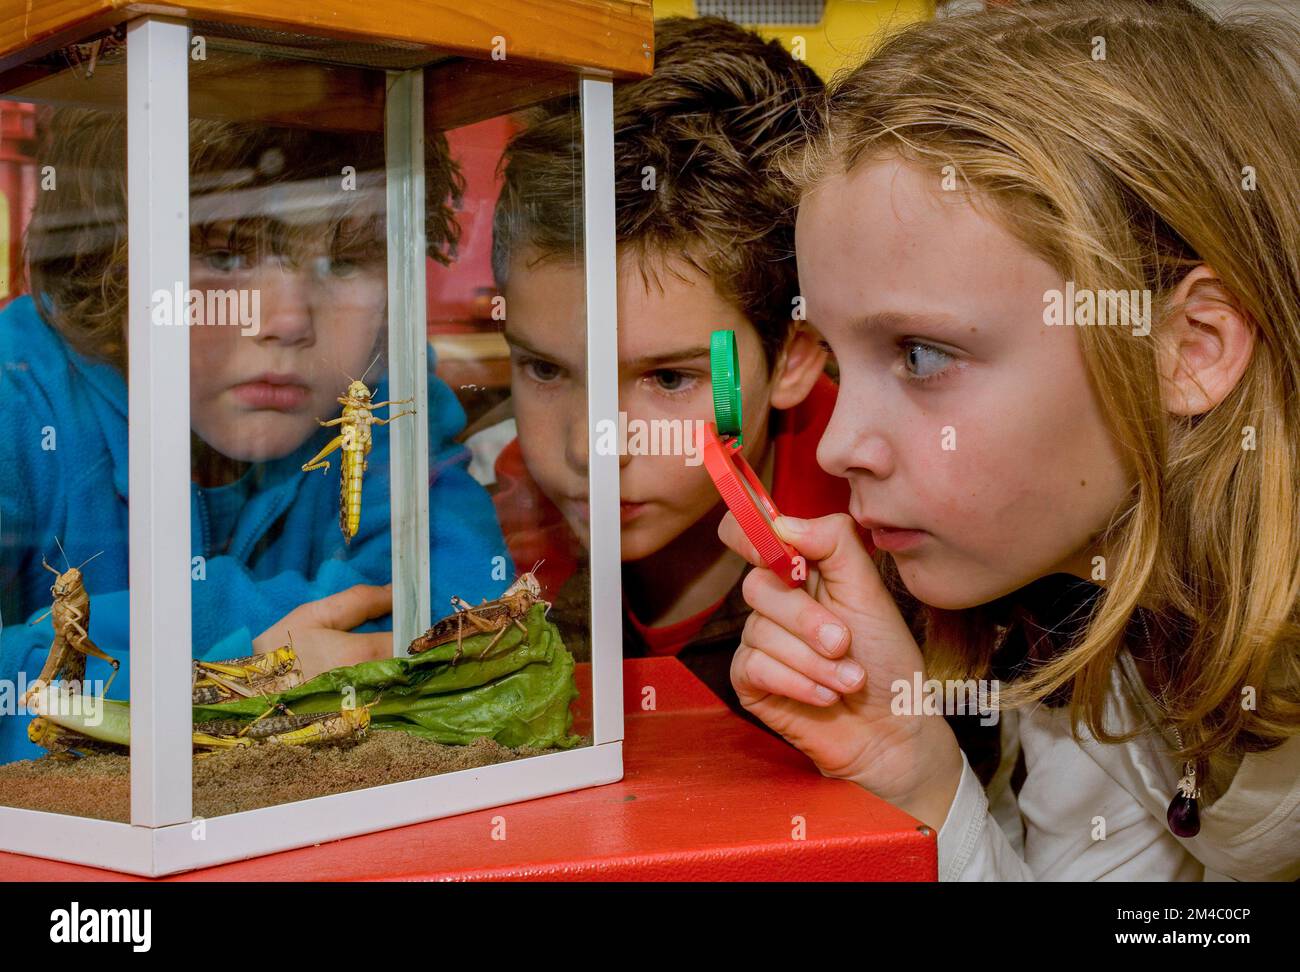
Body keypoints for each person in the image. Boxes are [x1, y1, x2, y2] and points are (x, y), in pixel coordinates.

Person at [722, 0, 1300, 880]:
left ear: (1191, 349)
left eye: (921, 354)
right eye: (841, 359)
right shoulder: (1085, 609)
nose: (837, 448)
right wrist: (911, 767)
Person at [0, 110, 508, 763]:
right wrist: (245, 658)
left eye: (345, 261)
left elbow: (473, 618)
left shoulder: (378, 394)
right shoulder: (18, 396)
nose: (289, 320)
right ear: (109, 265)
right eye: (222, 255)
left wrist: (75, 645)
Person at [488, 16, 848, 713]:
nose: (592, 447)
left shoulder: (898, 556)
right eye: (545, 370)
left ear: (795, 358)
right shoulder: (499, 525)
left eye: (670, 378)